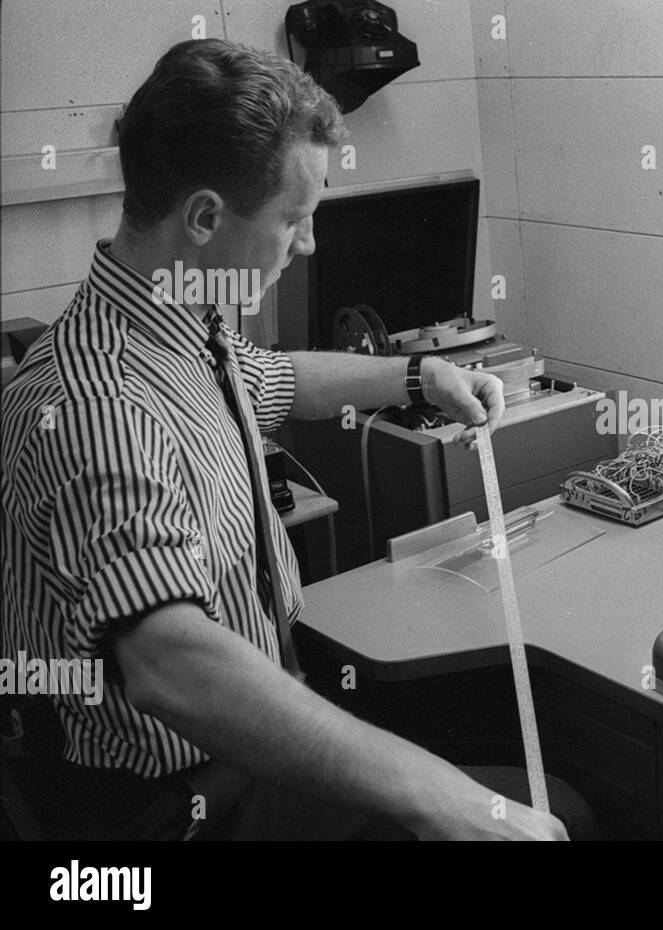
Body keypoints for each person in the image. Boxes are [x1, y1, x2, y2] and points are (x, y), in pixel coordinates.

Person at [1, 39, 590, 841]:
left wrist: (419, 377)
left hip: (248, 746)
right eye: (294, 218)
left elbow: (280, 378)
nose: (307, 244)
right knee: (553, 815)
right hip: (172, 811)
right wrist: (447, 805)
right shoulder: (97, 400)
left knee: (525, 755)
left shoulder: (179, 326)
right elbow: (173, 665)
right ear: (206, 217)